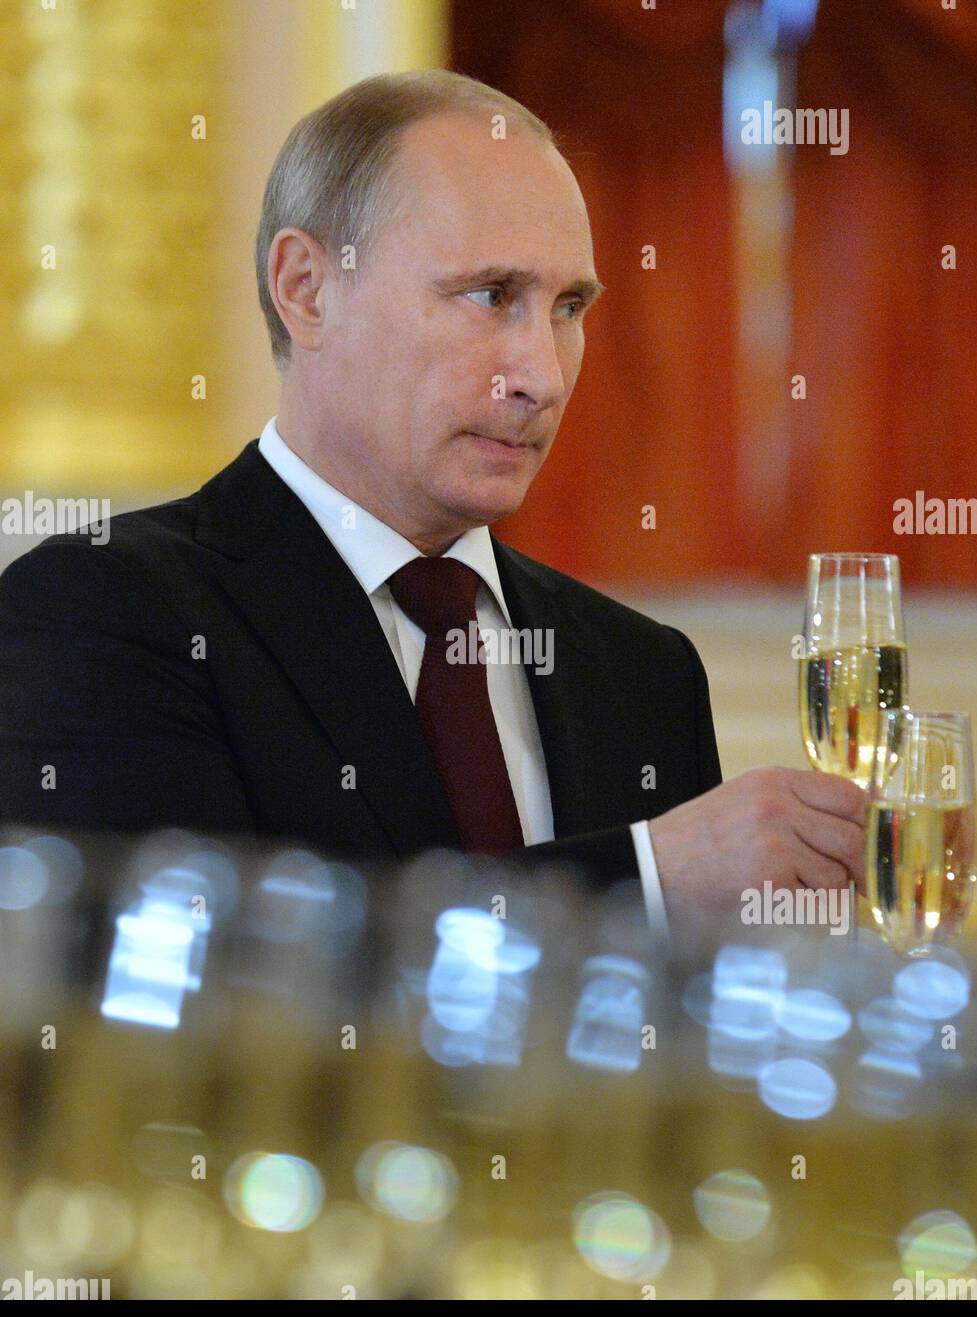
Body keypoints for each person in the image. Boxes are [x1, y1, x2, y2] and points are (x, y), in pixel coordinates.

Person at [0, 70, 865, 929]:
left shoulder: (642, 672)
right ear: (306, 287)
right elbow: (198, 993)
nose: (541, 374)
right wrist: (643, 880)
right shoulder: (100, 607)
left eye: (569, 306)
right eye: (491, 296)